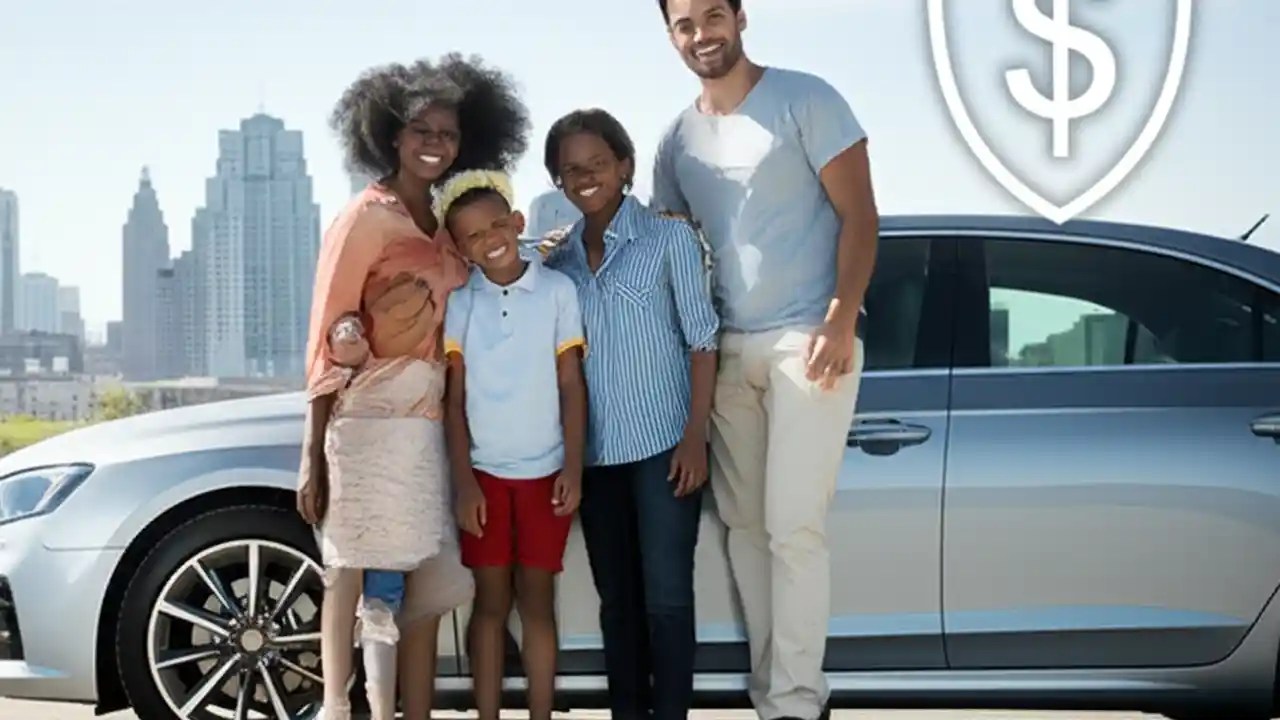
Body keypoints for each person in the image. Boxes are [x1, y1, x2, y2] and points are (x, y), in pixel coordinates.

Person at [650, 2, 881, 719]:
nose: (701, 35)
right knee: (746, 531)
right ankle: (770, 695)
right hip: (726, 352)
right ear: (671, 35)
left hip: (808, 342)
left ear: (741, 17)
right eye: (685, 24)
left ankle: (799, 703)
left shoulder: (807, 99)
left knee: (792, 528)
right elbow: (672, 252)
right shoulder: (676, 140)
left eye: (713, 15)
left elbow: (862, 216)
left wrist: (840, 318)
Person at [297, 53, 529, 720]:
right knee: (349, 572)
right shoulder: (364, 219)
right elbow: (325, 333)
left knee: (419, 586)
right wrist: (312, 455)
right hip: (365, 420)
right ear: (390, 135)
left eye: (449, 134)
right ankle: (340, 710)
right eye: (421, 130)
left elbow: (496, 269)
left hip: (426, 427)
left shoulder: (448, 220)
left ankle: (409, 711)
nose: (435, 144)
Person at [540, 107, 720, 720]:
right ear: (558, 182)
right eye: (570, 170)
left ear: (624, 166)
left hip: (664, 448)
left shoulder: (668, 240)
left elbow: (702, 342)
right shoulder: (558, 262)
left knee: (667, 599)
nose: (585, 177)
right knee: (616, 602)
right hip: (595, 459)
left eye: (596, 164)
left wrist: (694, 438)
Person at [435, 168, 588, 720]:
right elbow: (453, 404)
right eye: (472, 235)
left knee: (538, 606)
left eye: (497, 224)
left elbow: (571, 385)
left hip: (546, 476)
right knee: (491, 607)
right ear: (459, 248)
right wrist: (464, 483)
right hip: (486, 479)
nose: (489, 239)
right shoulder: (460, 305)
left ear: (518, 222)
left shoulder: (557, 291)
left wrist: (573, 466)